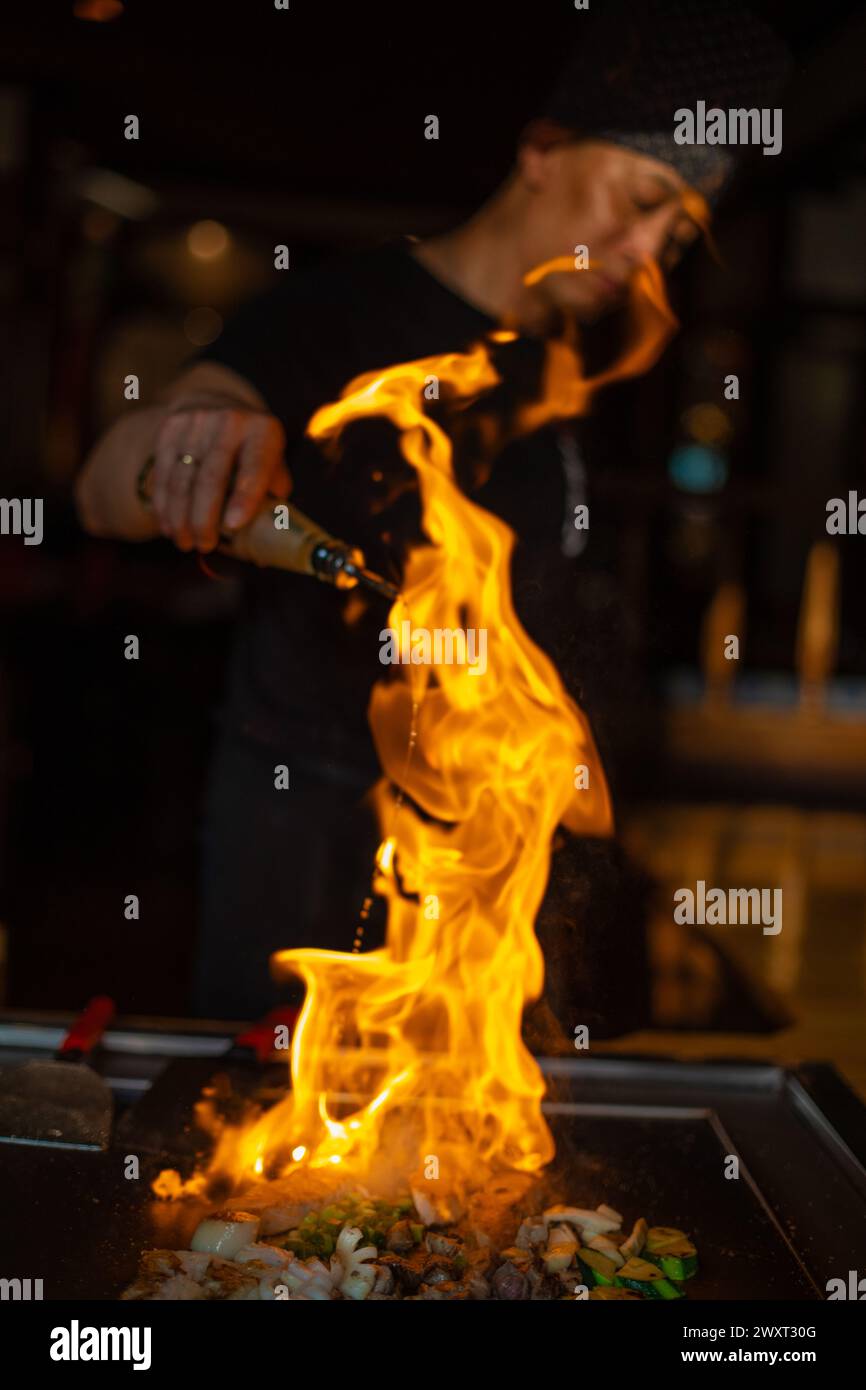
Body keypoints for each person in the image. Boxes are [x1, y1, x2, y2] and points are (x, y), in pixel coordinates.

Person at [76, 2, 790, 1024]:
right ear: (541, 151)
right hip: (316, 845)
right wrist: (185, 435)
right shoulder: (347, 313)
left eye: (675, 236)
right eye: (638, 201)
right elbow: (109, 486)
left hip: (481, 859)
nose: (644, 254)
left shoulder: (563, 369)